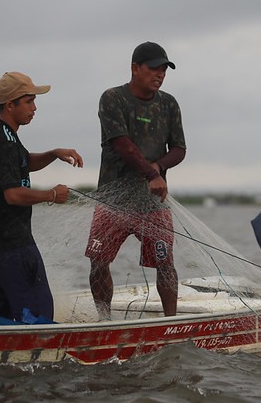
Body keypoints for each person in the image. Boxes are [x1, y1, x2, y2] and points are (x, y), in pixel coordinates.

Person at [85, 41, 187, 318]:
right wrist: (152, 173)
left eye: (164, 69)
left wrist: (159, 166)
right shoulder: (112, 99)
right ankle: (104, 320)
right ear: (135, 68)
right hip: (112, 199)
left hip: (153, 202)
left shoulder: (168, 104)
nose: (160, 74)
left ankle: (170, 321)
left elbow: (179, 149)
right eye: (154, 68)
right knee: (99, 261)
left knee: (166, 262)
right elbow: (122, 144)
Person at [0, 71, 84, 322]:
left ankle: (0, 361)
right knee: (38, 315)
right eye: (29, 101)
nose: (34, 108)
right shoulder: (5, 142)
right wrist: (52, 195)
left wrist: (54, 153)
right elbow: (13, 194)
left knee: (1, 316)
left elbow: (23, 163)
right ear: (10, 105)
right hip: (13, 245)